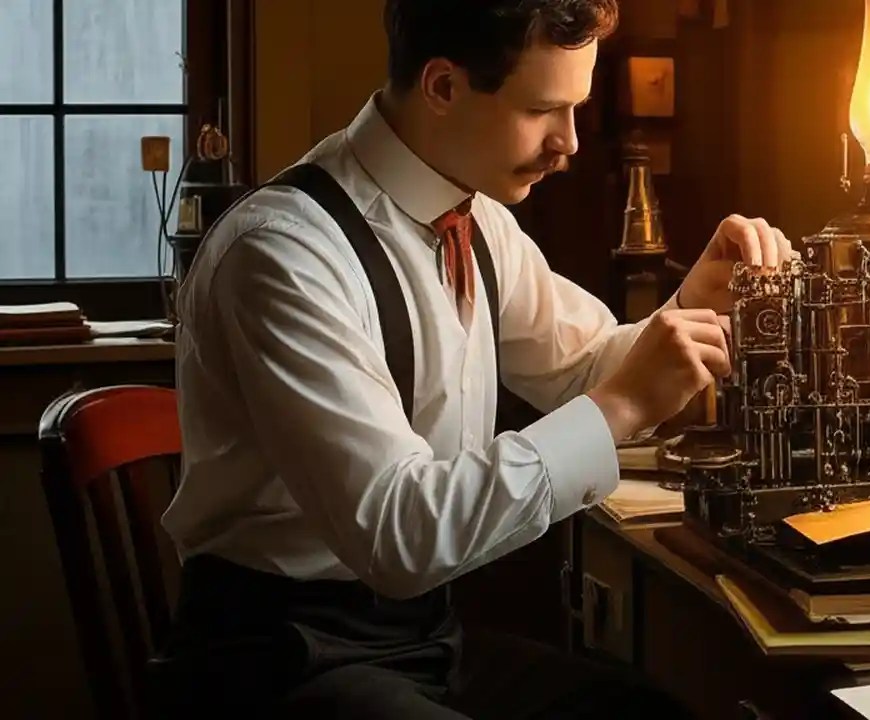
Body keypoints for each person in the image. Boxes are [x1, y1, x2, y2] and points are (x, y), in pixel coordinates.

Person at [152, 0, 791, 717]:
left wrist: (691, 308)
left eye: (576, 109)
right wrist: (625, 405)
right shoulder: (281, 256)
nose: (570, 143)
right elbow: (399, 536)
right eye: (544, 109)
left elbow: (582, 367)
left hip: (424, 639)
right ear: (443, 87)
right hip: (275, 658)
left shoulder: (479, 220)